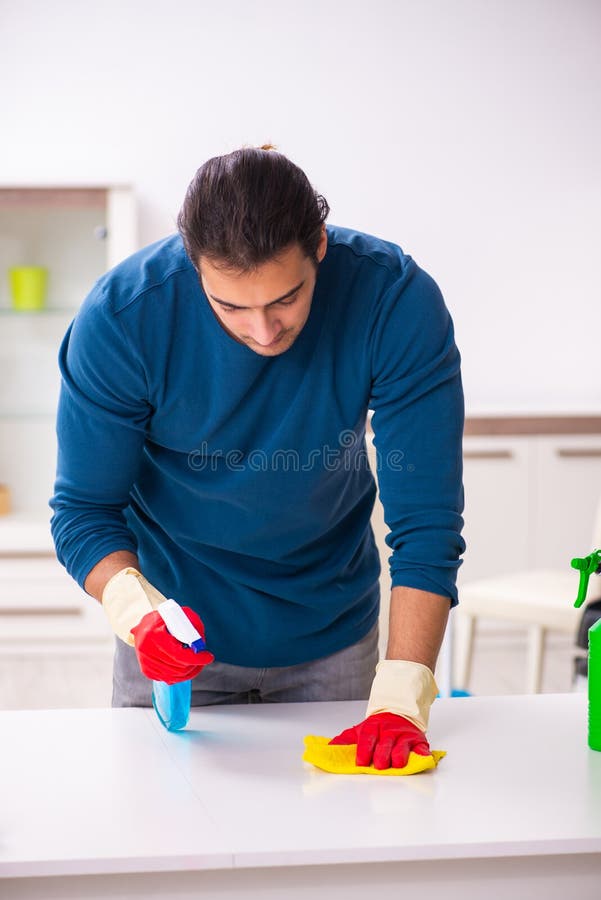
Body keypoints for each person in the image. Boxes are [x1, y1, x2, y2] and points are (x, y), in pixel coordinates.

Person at [50, 145, 465, 770]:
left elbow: (427, 521)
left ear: (319, 244)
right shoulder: (123, 319)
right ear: (194, 264)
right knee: (159, 822)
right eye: (231, 307)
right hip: (173, 642)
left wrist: (403, 697)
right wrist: (141, 616)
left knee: (345, 826)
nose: (264, 332)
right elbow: (84, 511)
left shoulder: (393, 301)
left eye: (286, 299)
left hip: (332, 638)